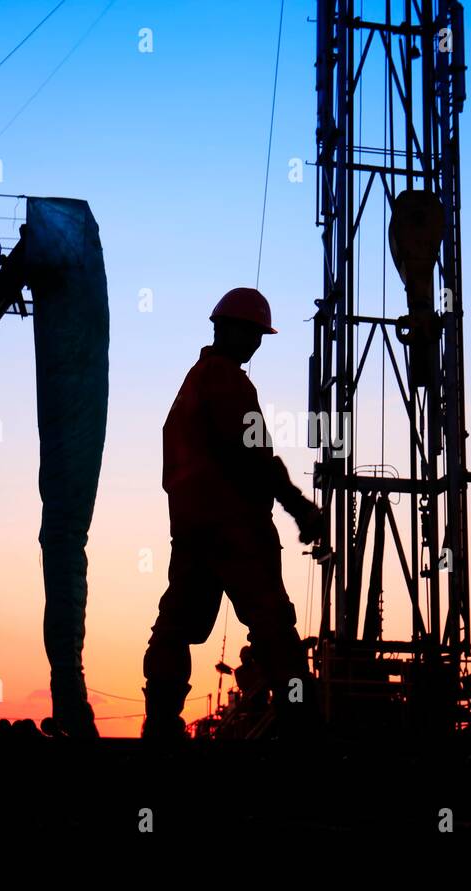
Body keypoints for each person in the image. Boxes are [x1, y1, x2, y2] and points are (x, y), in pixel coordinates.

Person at [142, 288, 322, 741]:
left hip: (192, 532)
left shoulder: (194, 383)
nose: (256, 344)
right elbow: (255, 455)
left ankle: (161, 726)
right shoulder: (228, 383)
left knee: (176, 627)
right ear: (230, 330)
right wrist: (298, 506)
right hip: (236, 529)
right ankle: (302, 728)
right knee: (274, 629)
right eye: (254, 333)